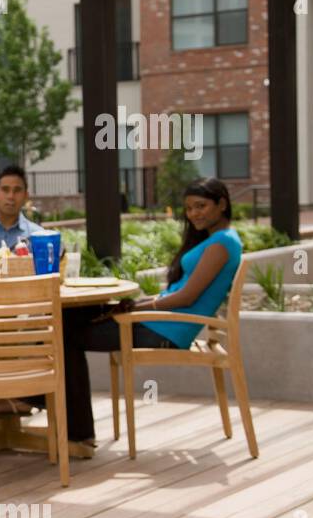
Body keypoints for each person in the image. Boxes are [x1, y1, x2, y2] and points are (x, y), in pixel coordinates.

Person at [40, 177, 242, 451]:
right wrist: (136, 303)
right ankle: (43, 403)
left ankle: (71, 426)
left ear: (222, 204)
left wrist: (137, 307)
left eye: (201, 206)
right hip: (161, 322)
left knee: (66, 333)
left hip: (167, 330)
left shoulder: (222, 243)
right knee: (72, 317)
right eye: (190, 208)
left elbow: (187, 297)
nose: (194, 213)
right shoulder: (218, 240)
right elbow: (177, 291)